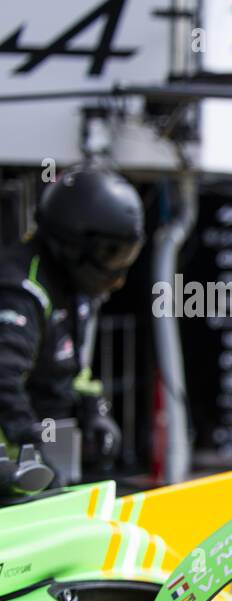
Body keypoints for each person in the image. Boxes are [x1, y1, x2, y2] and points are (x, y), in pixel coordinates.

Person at [0, 165, 143, 484]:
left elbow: (71, 368)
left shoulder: (68, 288)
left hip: (48, 454)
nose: (117, 273)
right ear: (74, 242)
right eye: (110, 253)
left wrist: (95, 410)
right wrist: (31, 452)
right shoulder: (22, 290)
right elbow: (3, 380)